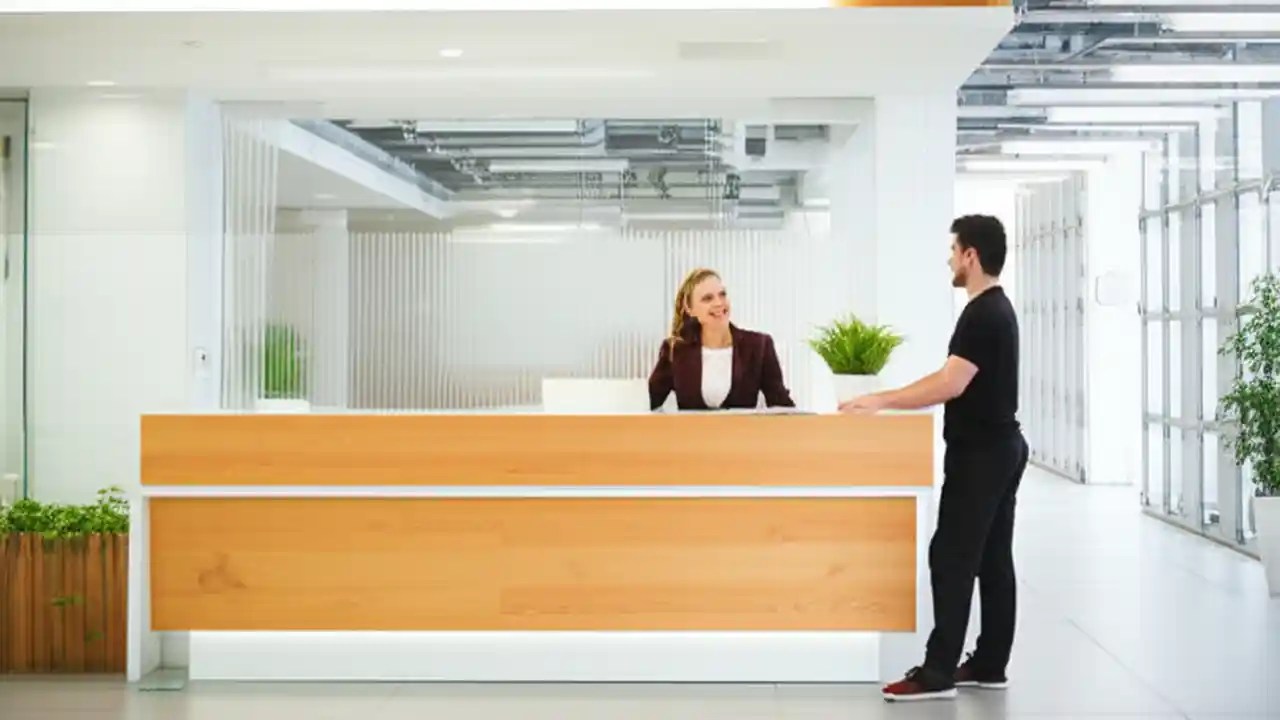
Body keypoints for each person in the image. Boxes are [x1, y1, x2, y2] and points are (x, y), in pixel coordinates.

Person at [839, 215, 1029, 703]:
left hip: (983, 455)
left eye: (954, 250)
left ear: (971, 256)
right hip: (1003, 445)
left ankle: (938, 671)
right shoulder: (997, 310)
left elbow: (950, 383)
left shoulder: (982, 314)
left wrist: (879, 399)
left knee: (951, 557)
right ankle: (989, 664)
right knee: (991, 558)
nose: (949, 258)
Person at [648, 267, 795, 411]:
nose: (719, 303)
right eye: (707, 298)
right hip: (692, 435)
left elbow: (781, 406)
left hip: (742, 434)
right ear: (689, 309)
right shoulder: (675, 350)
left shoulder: (759, 346)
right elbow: (651, 403)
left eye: (722, 294)